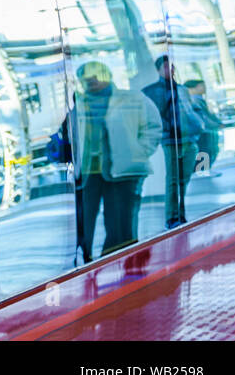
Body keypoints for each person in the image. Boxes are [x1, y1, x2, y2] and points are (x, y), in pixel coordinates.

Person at [67, 61, 161, 260]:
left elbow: (153, 126)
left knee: (119, 225)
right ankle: (85, 262)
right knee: (84, 224)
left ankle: (117, 264)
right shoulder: (78, 104)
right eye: (85, 77)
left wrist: (138, 152)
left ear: (106, 75)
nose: (90, 80)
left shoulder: (132, 98)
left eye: (95, 75)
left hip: (124, 172)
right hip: (87, 174)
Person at [142, 56, 204, 228]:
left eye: (172, 67)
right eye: (166, 67)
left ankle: (180, 214)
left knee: (184, 179)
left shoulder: (182, 89)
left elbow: (190, 111)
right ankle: (172, 217)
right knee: (173, 179)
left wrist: (199, 125)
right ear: (159, 70)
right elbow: (152, 116)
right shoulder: (151, 91)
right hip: (170, 140)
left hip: (188, 139)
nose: (171, 70)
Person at [182, 79, 223, 176]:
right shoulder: (194, 101)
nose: (204, 88)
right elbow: (203, 118)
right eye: (201, 86)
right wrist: (216, 125)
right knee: (204, 151)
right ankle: (201, 172)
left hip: (205, 132)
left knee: (208, 151)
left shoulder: (199, 100)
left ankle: (204, 170)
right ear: (192, 88)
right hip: (202, 133)